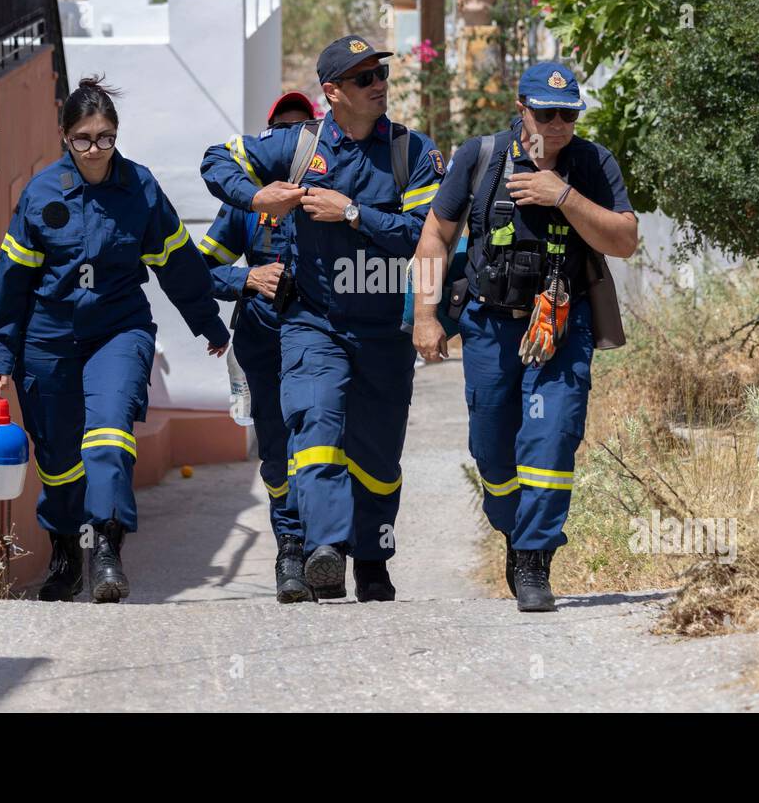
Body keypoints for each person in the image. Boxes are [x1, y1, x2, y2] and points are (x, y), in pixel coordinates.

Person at [200, 35, 443, 602]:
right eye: (364, 79)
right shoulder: (295, 144)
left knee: (379, 457)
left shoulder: (412, 151)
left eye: (380, 75)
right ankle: (324, 547)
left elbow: (424, 237)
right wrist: (257, 199)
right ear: (332, 93)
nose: (379, 85)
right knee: (313, 427)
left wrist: (353, 213)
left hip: (383, 328)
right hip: (312, 322)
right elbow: (217, 160)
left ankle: (373, 561)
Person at [0, 76, 230, 603]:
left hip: (118, 330)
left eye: (105, 138)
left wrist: (208, 322)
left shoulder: (140, 188)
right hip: (47, 339)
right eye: (83, 139)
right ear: (63, 137)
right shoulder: (42, 195)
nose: (95, 150)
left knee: (109, 435)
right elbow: (14, 277)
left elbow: (177, 262)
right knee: (57, 459)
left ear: (117, 135)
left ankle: (106, 552)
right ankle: (66, 554)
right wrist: (3, 349)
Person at [411, 62, 638, 612]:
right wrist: (425, 314)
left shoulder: (591, 163)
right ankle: (515, 533)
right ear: (521, 108)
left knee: (552, 435)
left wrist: (563, 196)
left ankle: (536, 556)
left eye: (568, 114)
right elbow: (434, 238)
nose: (558, 125)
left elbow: (626, 239)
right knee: (492, 452)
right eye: (546, 113)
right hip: (489, 327)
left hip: (561, 325)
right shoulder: (480, 156)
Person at [198, 90, 319, 603]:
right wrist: (247, 278)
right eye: (281, 132)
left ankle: (327, 547)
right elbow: (201, 270)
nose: (291, 144)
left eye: (303, 132)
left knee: (319, 439)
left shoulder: (330, 196)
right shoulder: (245, 205)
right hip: (263, 341)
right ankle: (290, 549)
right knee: (277, 452)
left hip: (323, 342)